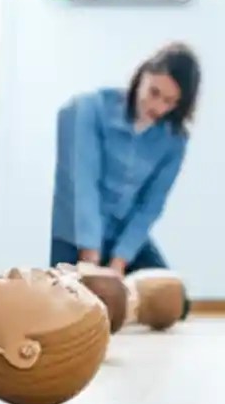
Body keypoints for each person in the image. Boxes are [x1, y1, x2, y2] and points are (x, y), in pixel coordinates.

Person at [49, 43, 200, 280]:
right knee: (72, 301)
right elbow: (84, 183)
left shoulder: (175, 140)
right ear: (141, 77)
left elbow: (151, 205)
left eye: (170, 102)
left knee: (171, 298)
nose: (157, 107)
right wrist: (91, 258)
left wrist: (119, 262)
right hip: (75, 233)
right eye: (154, 93)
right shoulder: (89, 108)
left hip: (122, 235)